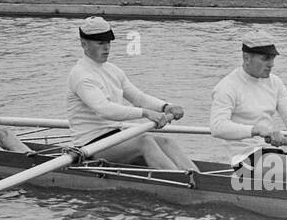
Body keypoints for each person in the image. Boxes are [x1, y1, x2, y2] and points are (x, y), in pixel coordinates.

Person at [65, 16, 195, 170]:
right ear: (83, 44)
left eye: (108, 42)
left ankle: (200, 179)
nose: (106, 48)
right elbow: (105, 109)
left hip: (116, 137)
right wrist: (145, 113)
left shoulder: (113, 70)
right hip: (90, 146)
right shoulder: (81, 75)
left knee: (167, 142)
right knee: (145, 141)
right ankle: (184, 185)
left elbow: (137, 97)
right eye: (100, 43)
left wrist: (166, 107)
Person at [210, 28, 287, 152]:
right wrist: (257, 129)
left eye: (273, 58)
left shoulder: (275, 82)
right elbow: (217, 127)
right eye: (266, 59)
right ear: (246, 58)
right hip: (243, 160)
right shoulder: (227, 87)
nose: (271, 64)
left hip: (269, 152)